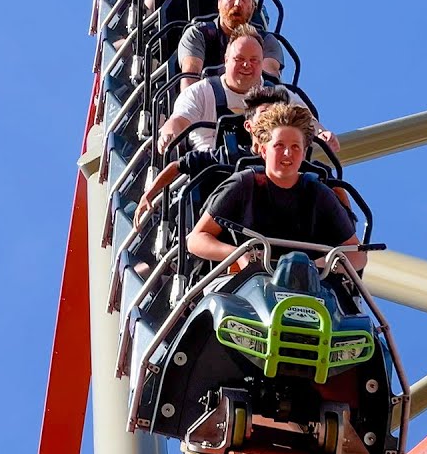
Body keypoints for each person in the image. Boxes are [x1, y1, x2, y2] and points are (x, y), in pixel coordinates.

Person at [188, 103, 365, 272]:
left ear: (304, 154)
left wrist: (315, 266)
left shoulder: (318, 192)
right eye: (279, 145)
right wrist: (238, 255)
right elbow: (197, 239)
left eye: (295, 147)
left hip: (306, 289)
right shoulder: (243, 184)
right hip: (244, 287)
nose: (287, 153)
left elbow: (357, 255)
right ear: (264, 151)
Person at [159, 26, 337, 153]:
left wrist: (322, 135)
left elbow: (309, 123)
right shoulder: (200, 92)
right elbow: (179, 121)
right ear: (226, 59)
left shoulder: (280, 96)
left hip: (269, 178)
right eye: (239, 59)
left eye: (254, 60)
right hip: (212, 175)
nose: (246, 65)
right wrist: (169, 133)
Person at [134, 84, 290, 229]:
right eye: (265, 114)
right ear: (248, 125)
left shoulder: (293, 161)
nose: (270, 120)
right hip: (237, 236)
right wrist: (148, 195)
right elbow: (179, 165)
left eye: (275, 115)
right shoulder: (229, 155)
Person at [178, 0, 285, 87]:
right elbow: (190, 81)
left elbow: (269, 82)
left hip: (254, 101)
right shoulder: (198, 35)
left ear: (252, 8)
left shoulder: (266, 41)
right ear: (219, 3)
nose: (238, 3)